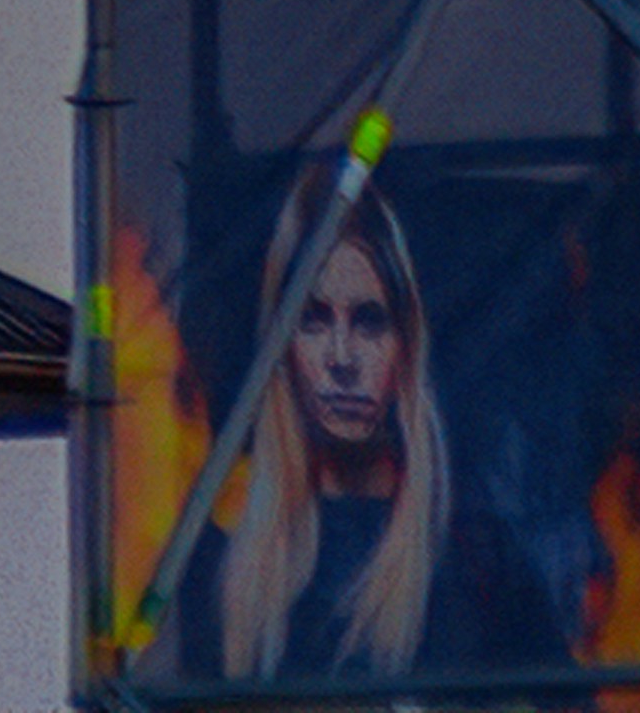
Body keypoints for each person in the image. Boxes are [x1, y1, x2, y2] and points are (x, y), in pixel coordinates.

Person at [195, 165, 569, 685]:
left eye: (369, 320)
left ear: (405, 343)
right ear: (282, 349)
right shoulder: (226, 566)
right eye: (313, 319)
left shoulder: (478, 558)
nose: (342, 358)